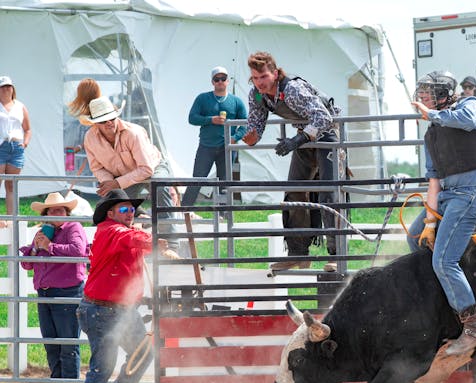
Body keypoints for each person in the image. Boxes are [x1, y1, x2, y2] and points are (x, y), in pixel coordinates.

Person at [66, 189, 169, 383]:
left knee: (142, 354)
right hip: (101, 311)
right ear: (110, 213)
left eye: (132, 210)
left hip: (121, 309)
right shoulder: (110, 231)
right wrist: (152, 241)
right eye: (124, 209)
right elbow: (131, 238)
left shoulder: (124, 234)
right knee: (103, 366)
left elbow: (128, 262)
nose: (130, 213)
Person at [407, 71, 476, 356]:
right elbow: (434, 180)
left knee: (444, 261)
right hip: (446, 195)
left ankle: (474, 328)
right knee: (415, 237)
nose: (423, 99)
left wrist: (431, 114)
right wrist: (429, 222)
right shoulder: (432, 132)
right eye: (422, 95)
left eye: (428, 94)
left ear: (444, 93)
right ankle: (441, 303)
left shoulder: (469, 105)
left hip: (471, 192)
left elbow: (467, 123)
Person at [242, 51, 341, 272]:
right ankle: (298, 252)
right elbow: (256, 122)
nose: (260, 83)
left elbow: (324, 117)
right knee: (295, 192)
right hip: (304, 137)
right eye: (256, 78)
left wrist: (297, 139)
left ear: (275, 74)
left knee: (329, 193)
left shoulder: (292, 89)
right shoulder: (258, 95)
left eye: (263, 77)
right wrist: (251, 136)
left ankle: (338, 254)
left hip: (328, 135)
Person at [81, 96, 179, 253]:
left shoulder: (133, 133)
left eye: (112, 118)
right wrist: (109, 185)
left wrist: (116, 184)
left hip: (153, 166)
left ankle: (172, 244)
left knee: (159, 187)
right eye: (103, 120)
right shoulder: (90, 138)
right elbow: (97, 168)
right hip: (124, 176)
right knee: (114, 199)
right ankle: (125, 241)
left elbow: (146, 169)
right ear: (95, 123)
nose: (109, 122)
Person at [20, 192, 89, 383]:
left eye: (60, 210)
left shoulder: (73, 228)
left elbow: (78, 252)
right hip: (46, 293)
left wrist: (49, 246)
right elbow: (28, 265)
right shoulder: (44, 232)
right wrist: (34, 249)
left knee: (67, 345)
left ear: (66, 212)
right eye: (51, 211)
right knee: (52, 345)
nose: (56, 213)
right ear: (47, 214)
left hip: (67, 292)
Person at [184, 66, 247, 207]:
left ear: (228, 81)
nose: (220, 82)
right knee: (197, 179)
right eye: (216, 79)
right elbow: (192, 118)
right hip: (206, 146)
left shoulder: (236, 102)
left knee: (225, 182)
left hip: (227, 148)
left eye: (223, 78)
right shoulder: (202, 98)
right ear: (212, 82)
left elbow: (245, 124)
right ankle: (184, 210)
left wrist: (235, 138)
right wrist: (210, 119)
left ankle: (224, 214)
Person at [0, 76, 32, 226]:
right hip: (1, 146)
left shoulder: (20, 106)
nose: (6, 88)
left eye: (9, 86)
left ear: (13, 89)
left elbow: (28, 129)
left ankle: (10, 218)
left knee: (11, 185)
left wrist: (24, 144)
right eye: (3, 86)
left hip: (16, 147)